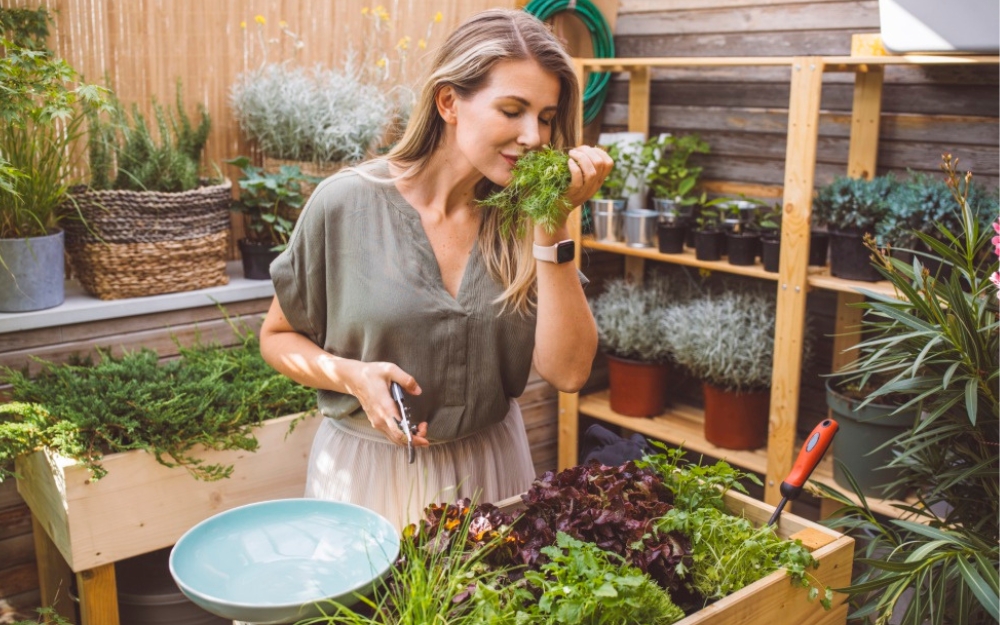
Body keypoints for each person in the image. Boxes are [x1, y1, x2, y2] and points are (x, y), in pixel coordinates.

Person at [259, 8, 612, 528]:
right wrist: (353, 376)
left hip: (493, 470)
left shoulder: (526, 215)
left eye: (545, 116)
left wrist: (554, 226)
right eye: (512, 110)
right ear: (449, 101)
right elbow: (277, 336)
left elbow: (569, 372)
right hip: (369, 475)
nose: (534, 136)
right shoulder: (345, 204)